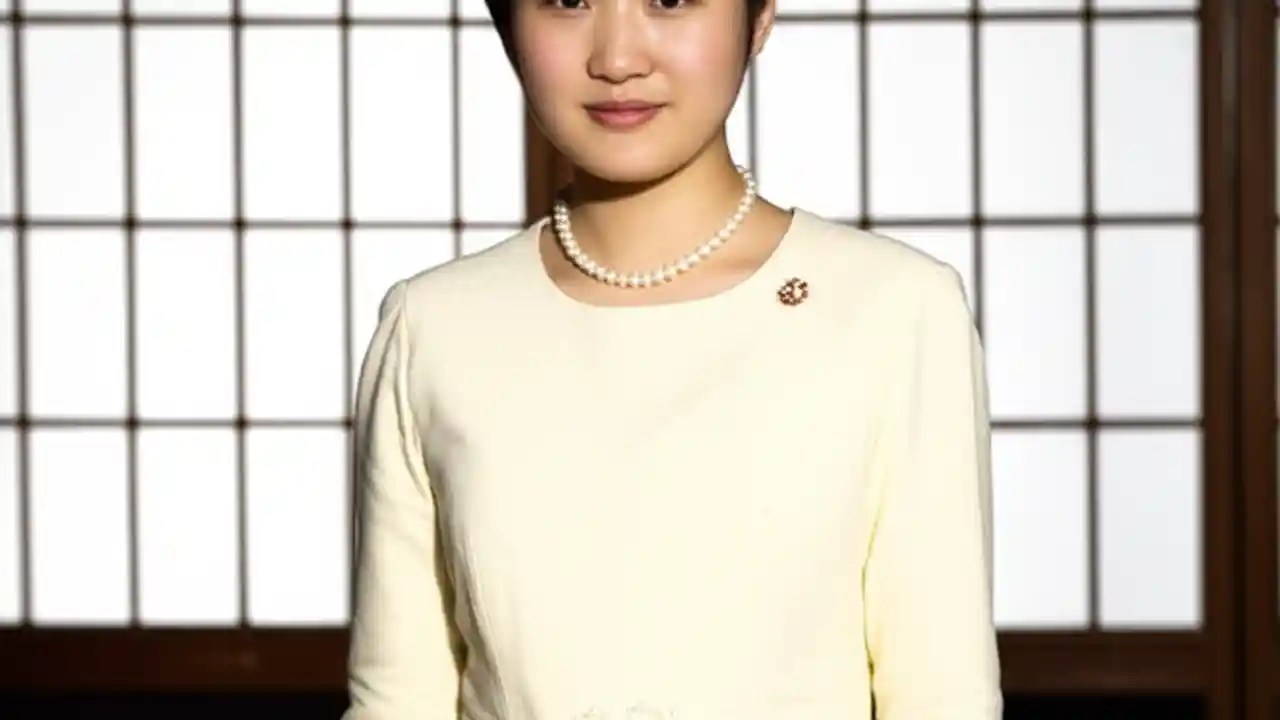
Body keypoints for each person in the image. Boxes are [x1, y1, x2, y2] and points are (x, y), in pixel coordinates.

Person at [341, 0, 1003, 718]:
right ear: (506, 24)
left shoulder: (894, 308)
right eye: (567, 2)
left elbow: (944, 699)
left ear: (758, 17)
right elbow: (394, 702)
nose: (618, 58)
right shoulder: (434, 327)